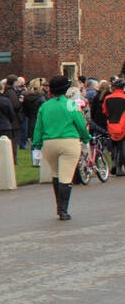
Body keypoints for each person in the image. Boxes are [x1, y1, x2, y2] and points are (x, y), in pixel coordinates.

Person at [31, 75, 90, 221]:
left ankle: (59, 207)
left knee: (56, 174)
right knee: (66, 176)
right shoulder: (70, 104)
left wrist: (37, 145)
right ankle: (63, 210)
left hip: (49, 143)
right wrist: (85, 137)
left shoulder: (44, 106)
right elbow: (80, 124)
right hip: (68, 141)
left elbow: (38, 128)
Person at [102, 78, 125, 176]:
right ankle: (119, 168)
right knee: (122, 147)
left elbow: (105, 111)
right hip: (123, 125)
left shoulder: (107, 98)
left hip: (111, 124)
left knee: (114, 146)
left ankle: (114, 164)